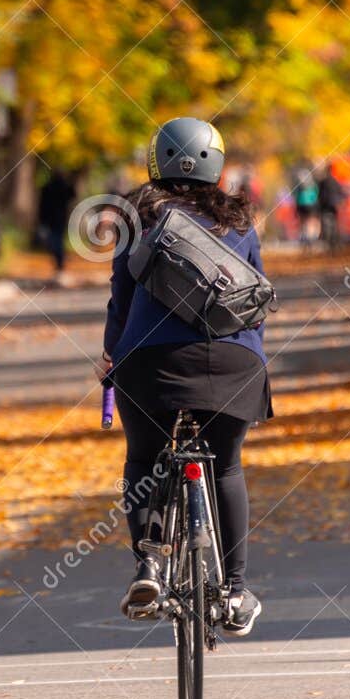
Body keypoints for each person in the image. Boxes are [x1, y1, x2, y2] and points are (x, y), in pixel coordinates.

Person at [100, 117, 271, 633]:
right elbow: (256, 303)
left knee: (144, 460)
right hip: (233, 366)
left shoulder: (138, 216)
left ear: (156, 161)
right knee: (226, 468)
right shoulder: (240, 220)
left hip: (149, 366)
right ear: (217, 164)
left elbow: (121, 300)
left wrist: (111, 356)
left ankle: (149, 563)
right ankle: (236, 591)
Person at [37, 168, 76, 280]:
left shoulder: (48, 187)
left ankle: (59, 262)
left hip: (51, 219)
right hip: (60, 218)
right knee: (57, 240)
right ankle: (59, 262)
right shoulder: (62, 186)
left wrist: (42, 220)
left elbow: (42, 206)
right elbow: (72, 195)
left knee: (55, 241)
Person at [316, 164, 344, 250]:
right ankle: (335, 242)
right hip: (334, 206)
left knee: (326, 223)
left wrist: (319, 204)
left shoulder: (323, 181)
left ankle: (329, 241)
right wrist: (340, 202)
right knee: (334, 224)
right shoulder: (336, 181)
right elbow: (341, 193)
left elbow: (319, 194)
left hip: (325, 206)